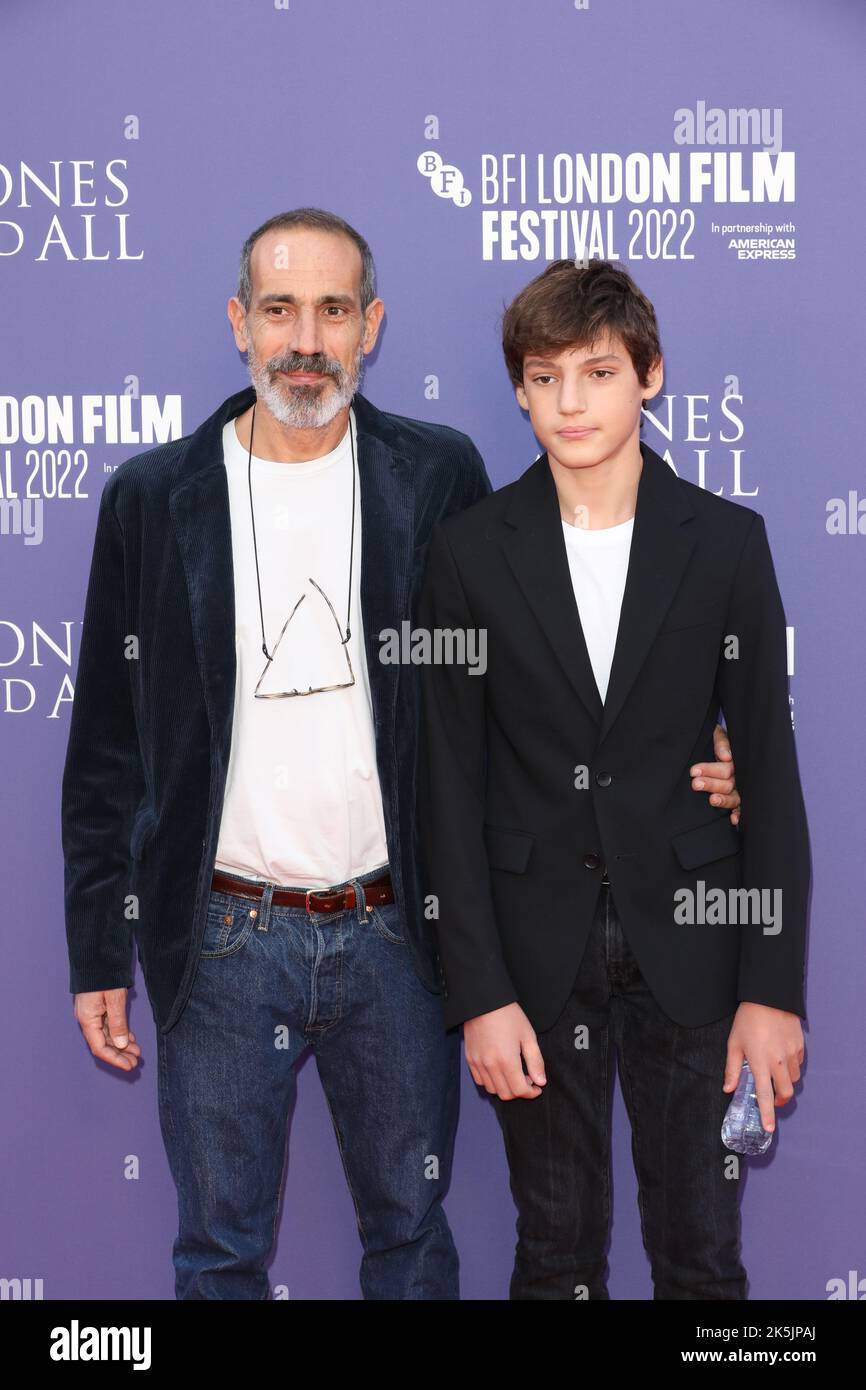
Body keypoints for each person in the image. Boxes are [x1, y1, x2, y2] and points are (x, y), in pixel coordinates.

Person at [61, 214, 741, 1301]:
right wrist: (100, 945)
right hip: (224, 937)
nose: (305, 338)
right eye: (279, 309)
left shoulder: (431, 476)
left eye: (333, 310)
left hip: (394, 936)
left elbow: (528, 673)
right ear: (239, 323)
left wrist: (691, 750)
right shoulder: (152, 500)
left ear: (369, 327)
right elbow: (107, 750)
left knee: (410, 1239)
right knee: (219, 1255)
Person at [417, 258, 809, 1300]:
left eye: (595, 372)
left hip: (694, 939)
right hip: (530, 954)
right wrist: (478, 993)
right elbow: (447, 786)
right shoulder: (467, 553)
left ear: (649, 376)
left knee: (699, 1256)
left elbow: (767, 774)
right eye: (543, 378)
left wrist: (769, 990)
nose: (569, 402)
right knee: (553, 1255)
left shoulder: (725, 543)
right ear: (517, 391)